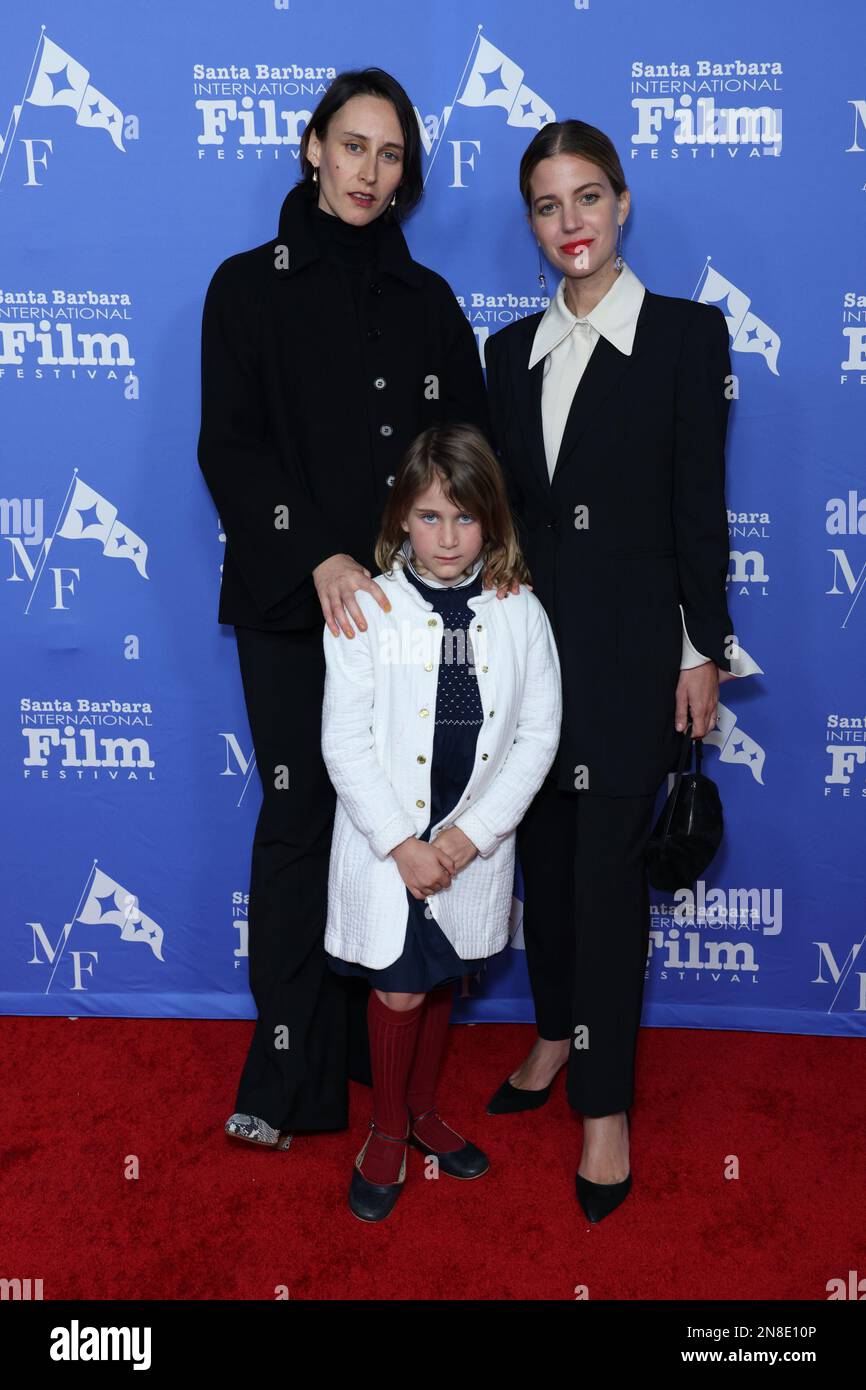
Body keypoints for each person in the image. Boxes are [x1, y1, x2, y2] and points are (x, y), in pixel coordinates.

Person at [196, 68, 489, 1150]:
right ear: (311, 146)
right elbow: (227, 444)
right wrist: (316, 554)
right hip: (290, 607)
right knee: (297, 824)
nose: (369, 171)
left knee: (395, 827)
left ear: (406, 173)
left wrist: (432, 565)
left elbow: (465, 456)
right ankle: (287, 1076)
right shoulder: (245, 286)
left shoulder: (428, 304)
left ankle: (392, 1076)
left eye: (391, 154)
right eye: (352, 145)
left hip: (410, 621)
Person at [483, 120, 759, 1222]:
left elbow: (700, 506)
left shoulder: (688, 337)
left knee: (602, 876)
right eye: (547, 207)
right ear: (531, 222)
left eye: (586, 198)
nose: (570, 224)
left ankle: (602, 1106)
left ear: (623, 202)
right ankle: (553, 1031)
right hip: (526, 662)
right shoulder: (508, 354)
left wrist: (700, 649)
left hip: (633, 656)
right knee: (540, 862)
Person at [320, 423, 562, 1221]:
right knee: (395, 990)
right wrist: (402, 845)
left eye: (463, 517)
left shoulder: (519, 610)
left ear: (491, 519)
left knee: (436, 980)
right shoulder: (369, 608)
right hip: (389, 848)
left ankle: (423, 1110)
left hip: (468, 849)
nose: (447, 536)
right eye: (429, 517)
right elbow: (343, 741)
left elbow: (537, 735)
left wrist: (466, 839)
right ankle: (388, 1127)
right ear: (400, 521)